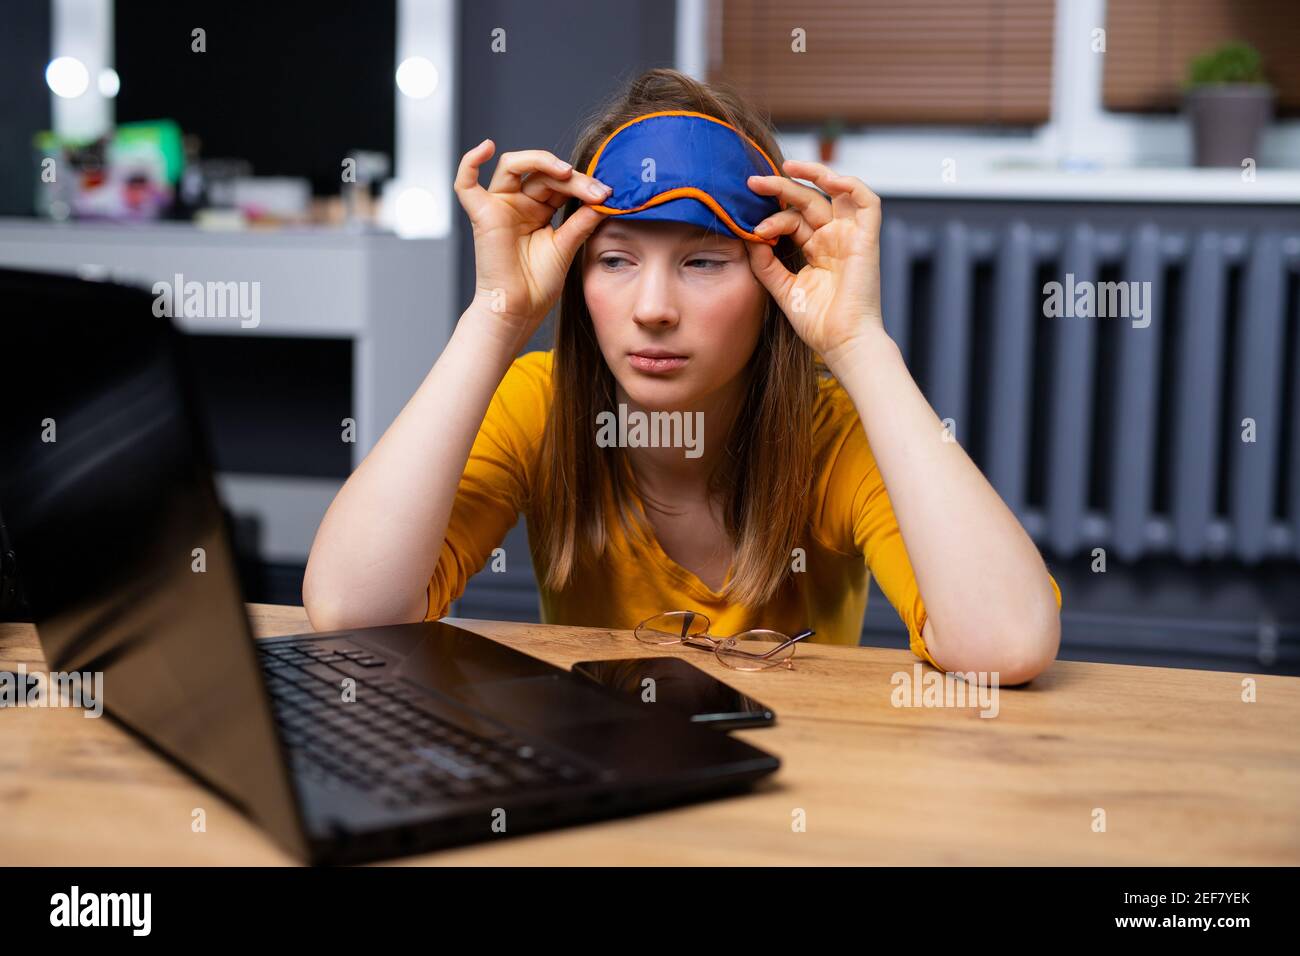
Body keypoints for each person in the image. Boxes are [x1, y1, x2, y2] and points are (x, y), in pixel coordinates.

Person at [304, 68, 1062, 683]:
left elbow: (1005, 645)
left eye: (702, 262)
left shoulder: (828, 436)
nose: (654, 309)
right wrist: (497, 316)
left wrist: (860, 342)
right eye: (615, 260)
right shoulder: (541, 404)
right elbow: (351, 608)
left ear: (773, 284)